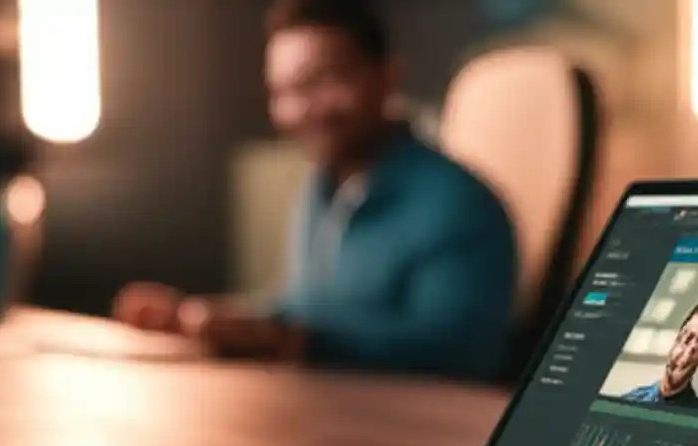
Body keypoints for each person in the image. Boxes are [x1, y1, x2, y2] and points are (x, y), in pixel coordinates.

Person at [113, 0, 516, 380]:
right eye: (282, 91)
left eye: (321, 80)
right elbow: (306, 305)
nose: (298, 110)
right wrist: (198, 317)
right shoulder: (323, 187)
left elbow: (460, 354)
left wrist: (293, 336)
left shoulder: (459, 206)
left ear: (387, 75)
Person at [620, 292, 698, 411]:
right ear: (677, 338)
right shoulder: (632, 398)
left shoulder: (694, 415)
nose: (687, 354)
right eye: (687, 338)